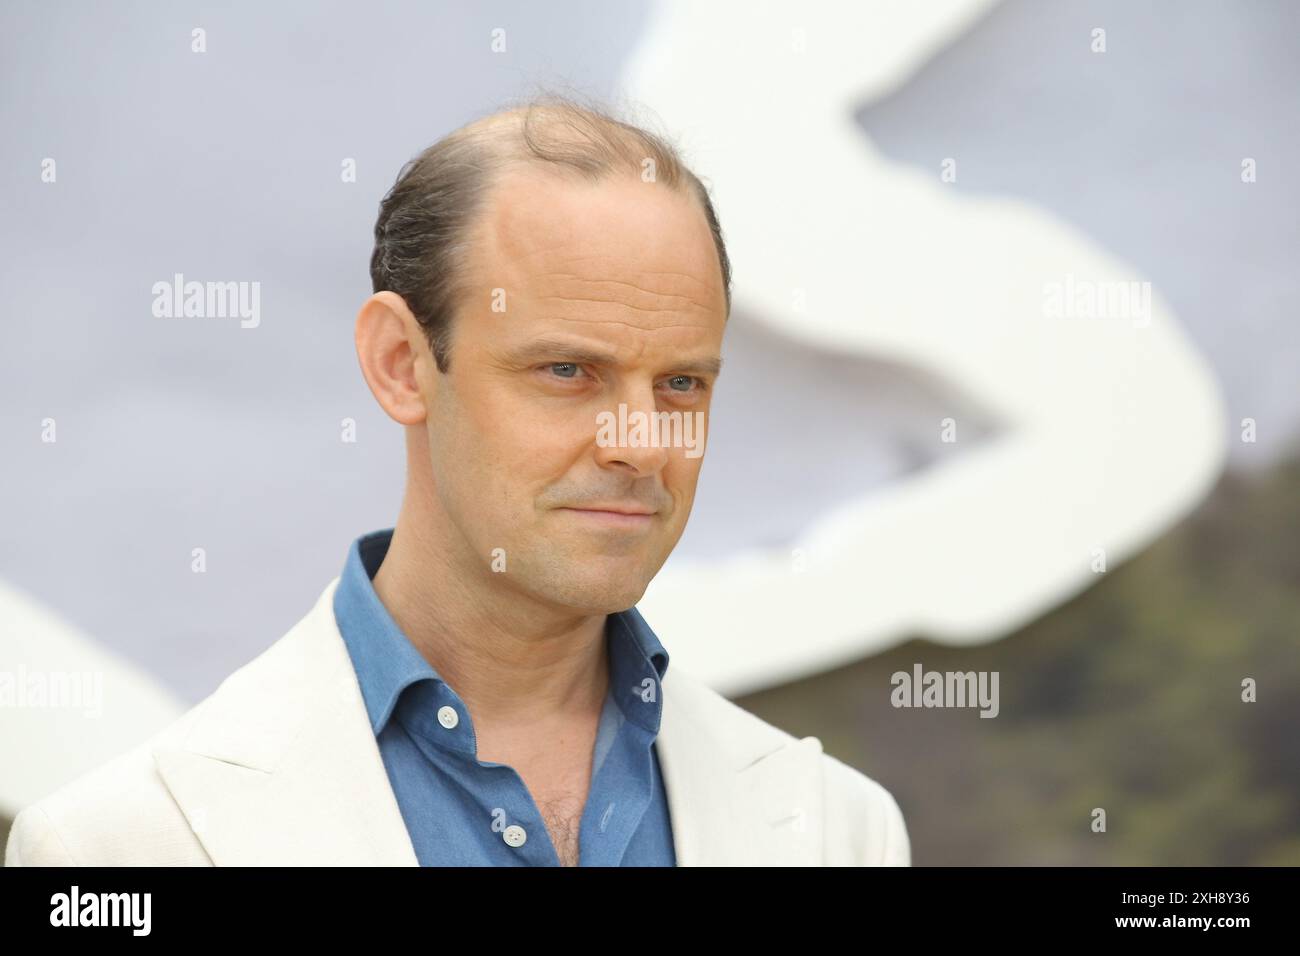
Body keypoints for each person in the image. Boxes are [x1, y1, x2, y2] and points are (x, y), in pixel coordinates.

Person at [4, 95, 909, 867]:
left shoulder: (840, 830)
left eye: (681, 383)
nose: (641, 442)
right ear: (401, 362)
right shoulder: (117, 850)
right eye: (567, 371)